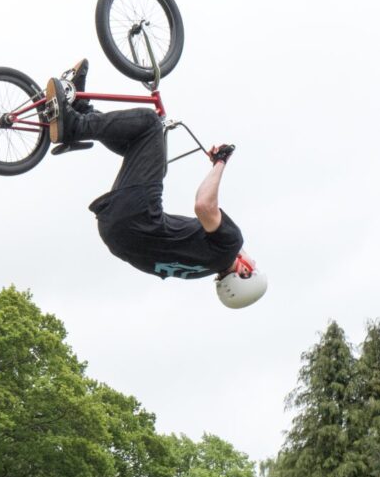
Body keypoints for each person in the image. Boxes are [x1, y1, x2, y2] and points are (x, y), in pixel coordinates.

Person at [45, 65, 267, 309]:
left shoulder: (229, 246)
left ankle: (74, 125)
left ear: (244, 272)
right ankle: (83, 110)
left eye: (253, 265)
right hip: (114, 234)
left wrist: (220, 162)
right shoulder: (198, 270)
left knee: (150, 124)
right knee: (148, 154)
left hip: (136, 215)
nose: (252, 260)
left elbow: (204, 206)